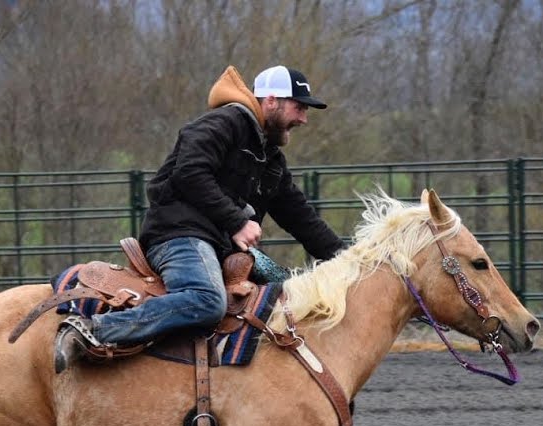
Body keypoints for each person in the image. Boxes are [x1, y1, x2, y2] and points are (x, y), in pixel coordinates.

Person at [54, 65, 344, 371]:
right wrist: (237, 222)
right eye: (299, 107)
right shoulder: (224, 123)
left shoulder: (270, 158)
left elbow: (301, 216)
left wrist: (350, 261)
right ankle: (92, 330)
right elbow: (189, 172)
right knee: (207, 300)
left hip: (218, 245)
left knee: (287, 289)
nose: (303, 119)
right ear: (271, 100)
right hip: (179, 236)